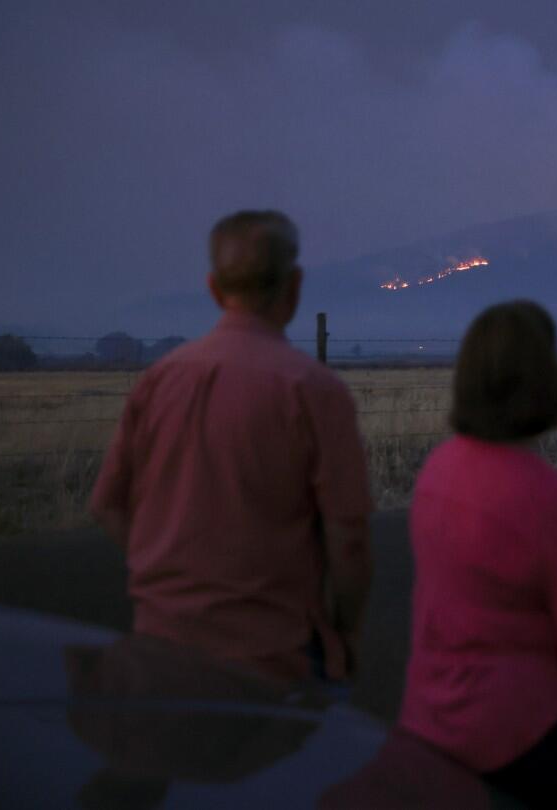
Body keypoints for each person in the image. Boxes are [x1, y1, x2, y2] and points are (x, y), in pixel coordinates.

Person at [89, 210, 373, 683]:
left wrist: (169, 577)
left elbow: (107, 505)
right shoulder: (315, 391)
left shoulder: (158, 381)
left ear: (214, 289)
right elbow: (351, 540)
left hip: (160, 648)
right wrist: (345, 632)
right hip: (276, 660)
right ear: (295, 286)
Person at [398, 300, 557, 808]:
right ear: (547, 380)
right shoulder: (554, 504)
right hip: (522, 738)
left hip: (429, 723)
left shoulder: (438, 470)